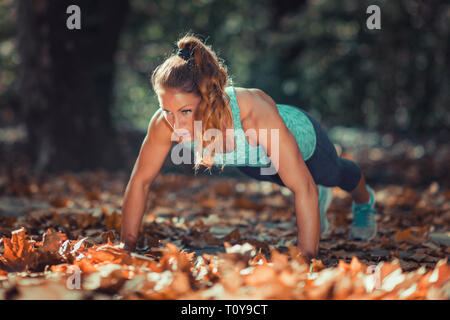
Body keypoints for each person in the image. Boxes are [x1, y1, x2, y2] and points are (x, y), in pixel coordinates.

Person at [120, 33, 378, 262]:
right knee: (285, 179)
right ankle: (319, 199)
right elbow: (140, 181)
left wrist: (306, 258)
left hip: (304, 138)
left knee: (329, 175)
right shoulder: (163, 123)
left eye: (185, 110)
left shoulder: (252, 111)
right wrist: (127, 247)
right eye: (167, 111)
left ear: (207, 100)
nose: (175, 124)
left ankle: (365, 202)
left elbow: (302, 186)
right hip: (254, 161)